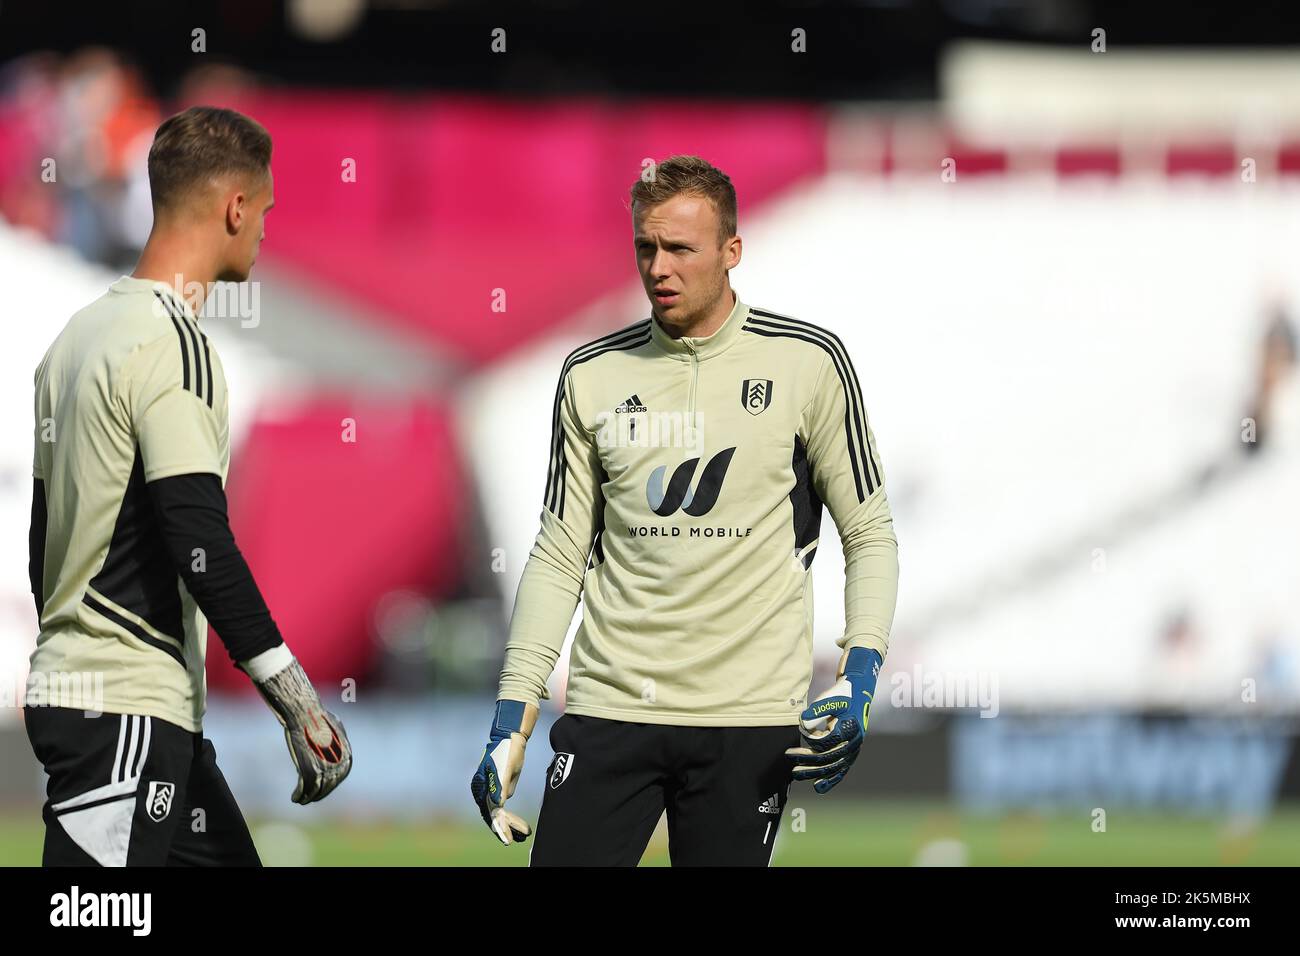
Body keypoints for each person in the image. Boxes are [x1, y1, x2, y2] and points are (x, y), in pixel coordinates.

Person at [472, 155, 899, 865]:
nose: (658, 268)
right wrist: (512, 713)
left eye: (680, 249)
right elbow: (557, 552)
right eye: (646, 247)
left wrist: (858, 675)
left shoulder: (809, 363)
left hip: (749, 719)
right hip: (612, 708)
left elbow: (870, 532)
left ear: (732, 252)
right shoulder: (591, 374)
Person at [24, 106, 351, 867]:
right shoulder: (177, 343)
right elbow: (197, 536)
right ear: (237, 208)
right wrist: (296, 700)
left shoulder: (74, 340)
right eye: (265, 210)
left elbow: (44, 537)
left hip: (107, 702)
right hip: (127, 711)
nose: (266, 231)